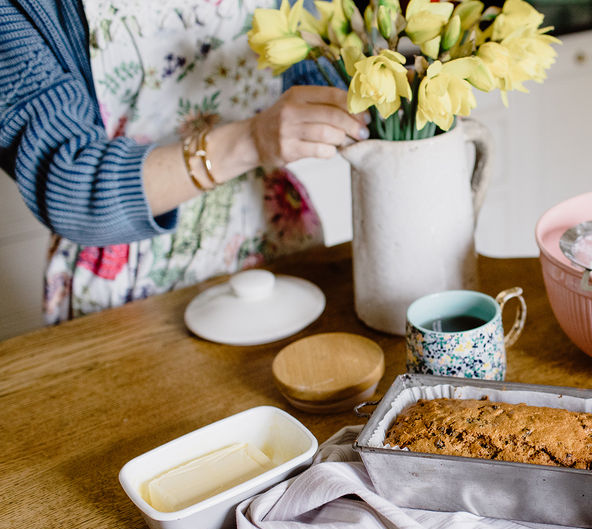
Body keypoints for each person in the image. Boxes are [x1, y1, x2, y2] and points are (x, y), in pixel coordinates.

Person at [1, 0, 368, 323]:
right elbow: (72, 184)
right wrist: (254, 139)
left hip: (276, 244)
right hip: (123, 288)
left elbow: (316, 61)